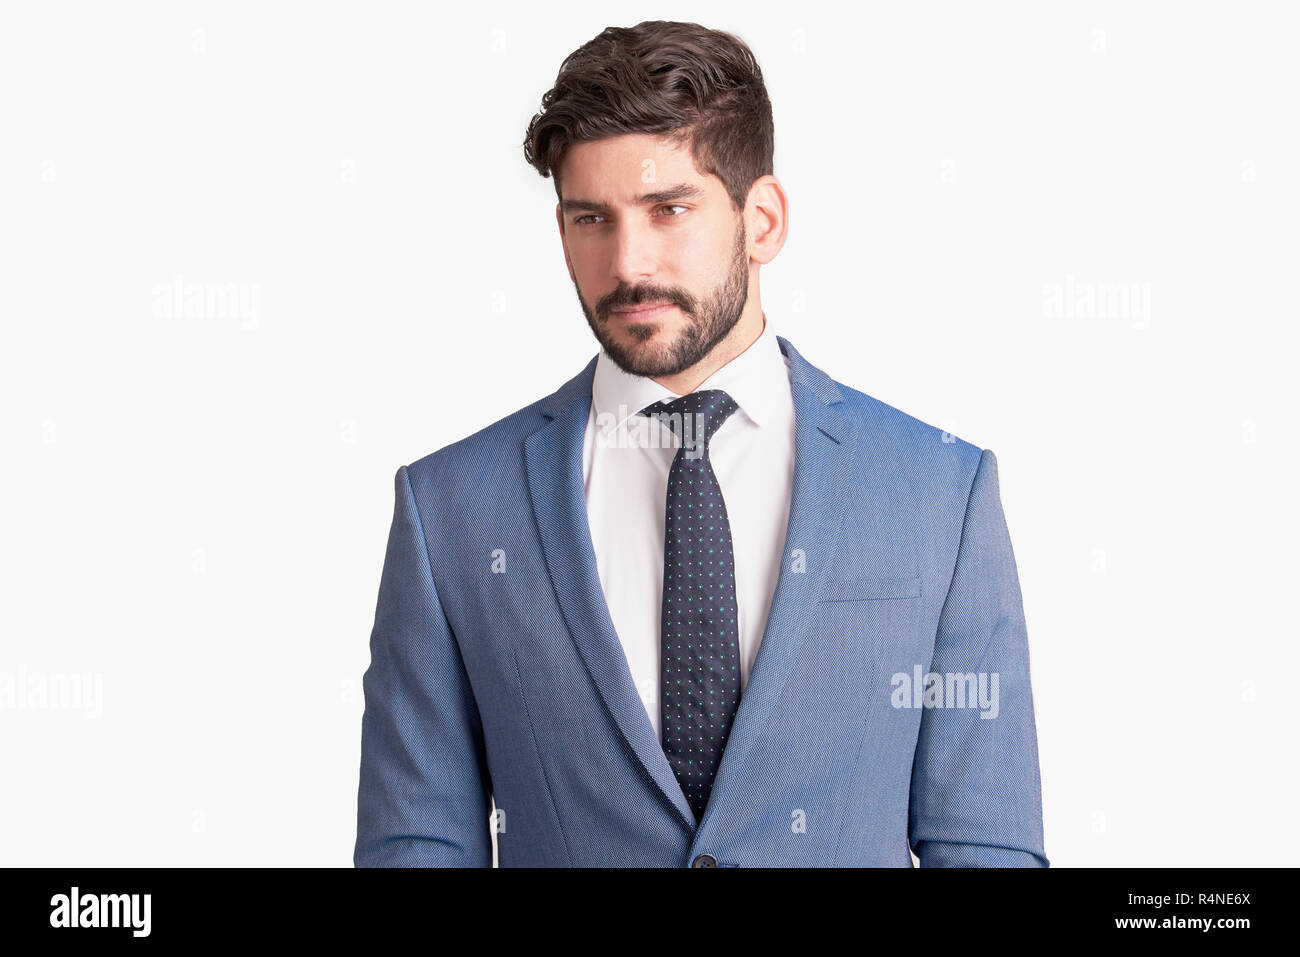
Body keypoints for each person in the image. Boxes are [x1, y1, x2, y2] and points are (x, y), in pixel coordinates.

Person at [353, 19, 1047, 867]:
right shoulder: (451, 509)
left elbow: (985, 848)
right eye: (589, 218)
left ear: (762, 220)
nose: (627, 261)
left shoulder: (939, 491)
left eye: (668, 209)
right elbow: (416, 848)